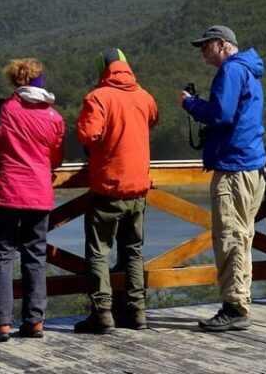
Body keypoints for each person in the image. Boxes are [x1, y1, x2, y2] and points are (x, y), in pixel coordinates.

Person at [180, 25, 266, 332]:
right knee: (242, 237)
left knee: (230, 237)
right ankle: (239, 301)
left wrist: (191, 103)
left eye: (205, 46)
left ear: (221, 45)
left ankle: (234, 306)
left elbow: (221, 115)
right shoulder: (249, 71)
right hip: (251, 166)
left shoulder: (231, 71)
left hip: (233, 167)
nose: (202, 52)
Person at [0, 58, 65, 342]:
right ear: (40, 81)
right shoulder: (54, 117)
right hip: (39, 193)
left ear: (15, 81)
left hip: (6, 191)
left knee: (1, 256)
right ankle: (34, 321)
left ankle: (1, 324)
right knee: (35, 256)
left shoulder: (1, 109)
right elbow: (57, 159)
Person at [74, 48, 159, 334]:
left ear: (102, 69)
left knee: (99, 252)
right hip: (138, 188)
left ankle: (103, 313)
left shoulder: (97, 97)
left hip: (108, 187)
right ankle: (137, 311)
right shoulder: (144, 96)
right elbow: (153, 119)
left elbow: (88, 135)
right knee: (134, 251)